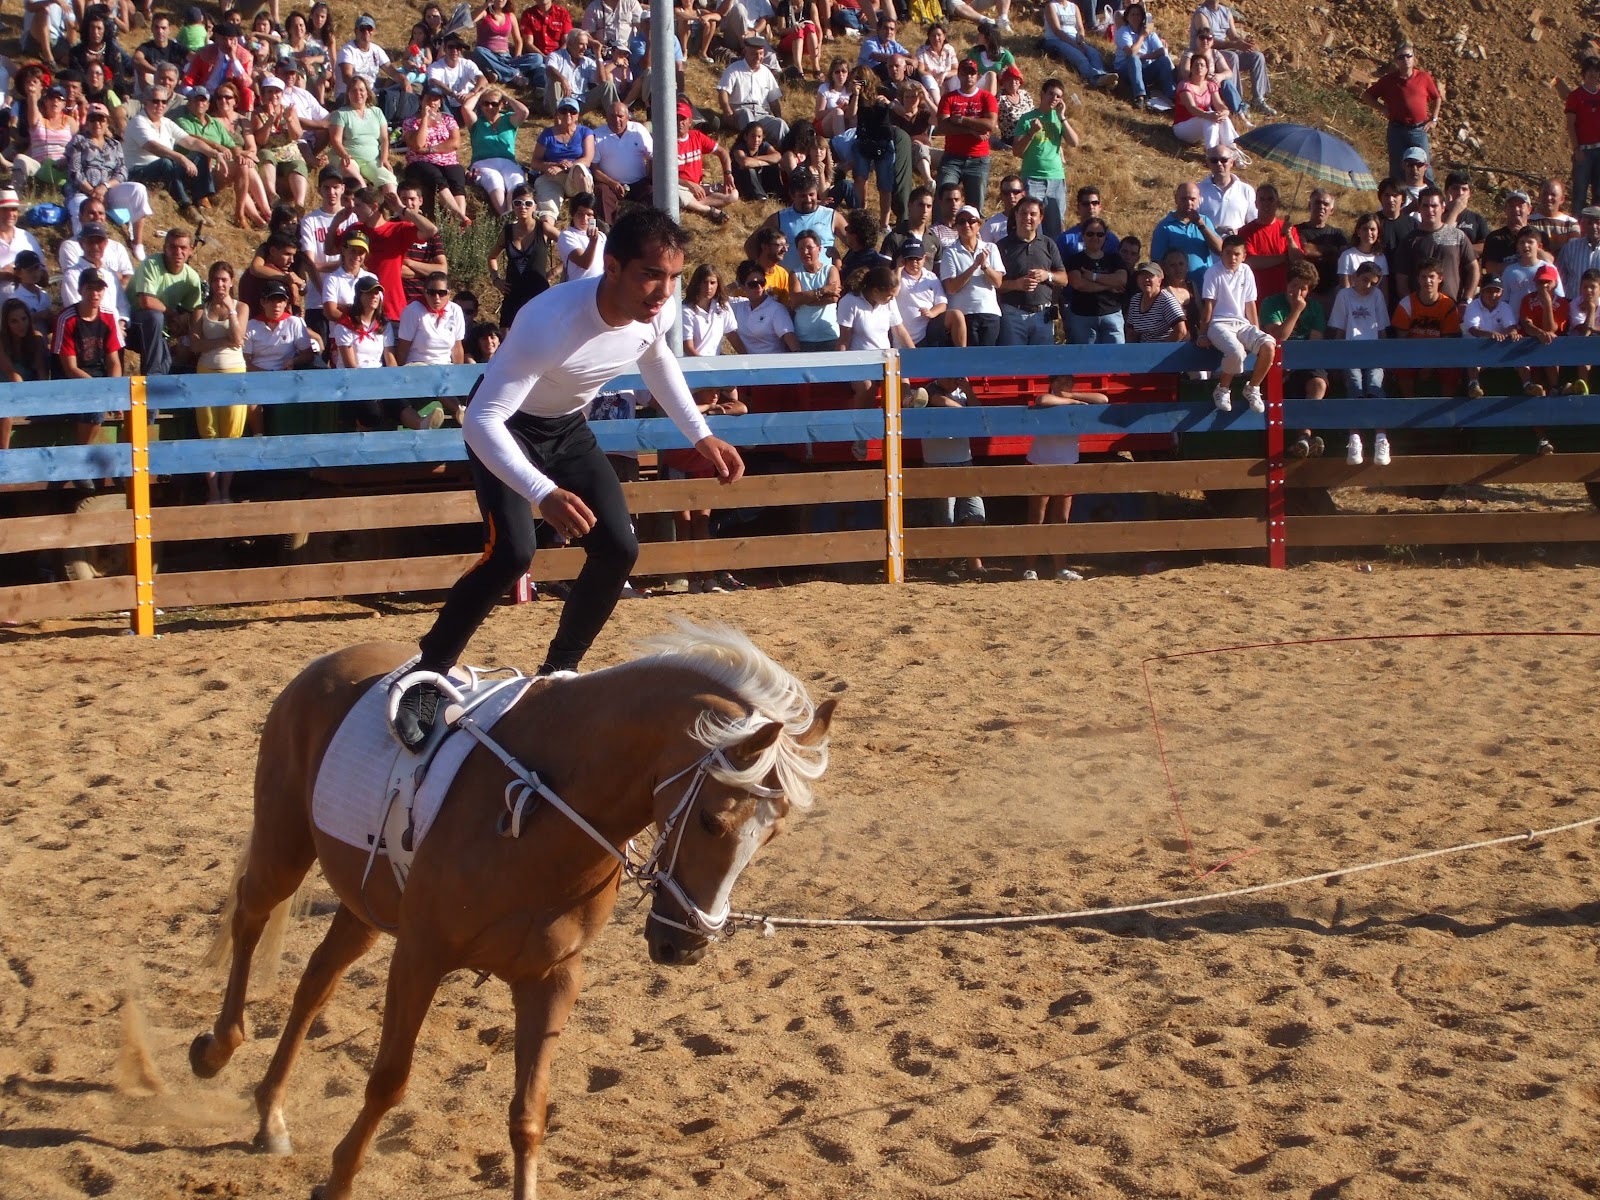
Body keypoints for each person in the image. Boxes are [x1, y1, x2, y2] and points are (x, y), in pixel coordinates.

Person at [390, 209, 745, 749]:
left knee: (619, 548)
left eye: (673, 277)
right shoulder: (550, 320)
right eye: (651, 274)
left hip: (565, 428)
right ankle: (426, 671)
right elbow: (482, 420)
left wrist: (699, 434)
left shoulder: (654, 309)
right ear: (613, 266)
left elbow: (656, 359)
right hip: (504, 427)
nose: (664, 291)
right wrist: (542, 492)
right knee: (513, 554)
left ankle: (558, 674)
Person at [1022, 374, 1108, 581]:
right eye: (1059, 381)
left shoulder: (1076, 400)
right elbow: (1042, 400)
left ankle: (1060, 568)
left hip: (1068, 465)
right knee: (1037, 517)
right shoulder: (1050, 401)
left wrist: (1072, 396)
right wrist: (1072, 400)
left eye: (1068, 381)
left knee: (1061, 519)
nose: (1064, 385)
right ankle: (1029, 567)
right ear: (1051, 383)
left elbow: (1103, 400)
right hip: (1041, 463)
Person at [188, 260, 250, 501]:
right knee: (209, 430)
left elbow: (238, 336)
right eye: (216, 280)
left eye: (224, 279)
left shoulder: (241, 307)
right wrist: (225, 341)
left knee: (231, 431)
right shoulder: (200, 310)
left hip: (234, 372)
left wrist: (230, 311)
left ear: (231, 282)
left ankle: (226, 490)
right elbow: (196, 345)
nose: (220, 284)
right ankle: (213, 490)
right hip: (207, 371)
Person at [1199, 234, 1275, 413]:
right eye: (1227, 253)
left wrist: (1255, 332)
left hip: (1242, 324)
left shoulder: (1246, 271)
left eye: (1236, 254)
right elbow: (1209, 306)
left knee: (1269, 346)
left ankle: (1253, 387)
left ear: (1244, 256)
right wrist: (1203, 333)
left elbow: (1250, 305)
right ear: (1221, 253)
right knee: (1236, 352)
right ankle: (1222, 389)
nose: (1232, 258)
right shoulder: (1212, 272)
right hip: (1218, 324)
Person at [124, 86, 225, 219]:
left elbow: (191, 142)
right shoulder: (138, 122)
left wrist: (214, 153)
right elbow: (153, 147)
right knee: (166, 162)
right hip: (140, 171)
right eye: (156, 101)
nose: (160, 105)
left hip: (168, 167)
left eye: (164, 102)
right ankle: (186, 206)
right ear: (146, 102)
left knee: (200, 155)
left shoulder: (166, 122)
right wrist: (181, 158)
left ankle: (201, 200)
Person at [1260, 259, 1328, 456]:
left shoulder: (1315, 308)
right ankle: (1295, 441)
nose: (1297, 292)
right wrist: (1296, 310)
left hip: (1305, 364)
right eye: (1294, 285)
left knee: (1318, 384)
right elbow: (1278, 336)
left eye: (1303, 288)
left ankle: (1303, 437)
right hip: (1275, 363)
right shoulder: (1271, 303)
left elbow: (1315, 342)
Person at [1327, 260, 1389, 463]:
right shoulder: (1344, 295)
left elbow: (1381, 329)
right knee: (1355, 385)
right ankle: (1355, 439)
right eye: (1365, 281)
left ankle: (1381, 438)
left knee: (1375, 386)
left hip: (1374, 351)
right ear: (1355, 277)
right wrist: (1336, 359)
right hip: (1350, 350)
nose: (1368, 286)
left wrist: (1384, 356)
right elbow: (1340, 328)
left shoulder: (1377, 296)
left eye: (1373, 283)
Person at [54, 268, 124, 445]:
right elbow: (70, 368)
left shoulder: (108, 316)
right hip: (73, 378)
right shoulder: (67, 319)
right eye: (90, 288)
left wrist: (113, 389)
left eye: (99, 289)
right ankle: (82, 452)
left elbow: (113, 361)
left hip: (100, 376)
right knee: (95, 406)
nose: (95, 294)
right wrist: (100, 388)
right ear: (80, 290)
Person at [1362, 42, 1442, 184]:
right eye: (1401, 57)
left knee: (1424, 168)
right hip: (1396, 129)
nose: (1405, 59)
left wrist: (1434, 119)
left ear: (1413, 58)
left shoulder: (1423, 77)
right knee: (1397, 169)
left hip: (1418, 129)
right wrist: (1382, 109)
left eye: (1408, 56)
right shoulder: (1389, 80)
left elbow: (1437, 97)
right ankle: (1400, 201)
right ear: (1396, 61)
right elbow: (1367, 96)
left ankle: (1432, 201)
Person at [127, 226, 202, 375]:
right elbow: (146, 302)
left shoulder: (192, 278)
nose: (178, 252)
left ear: (190, 250)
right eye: (173, 247)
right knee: (155, 316)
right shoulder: (152, 264)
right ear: (164, 248)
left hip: (162, 329)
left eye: (183, 248)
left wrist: (182, 322)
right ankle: (152, 377)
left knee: (166, 363)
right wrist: (172, 314)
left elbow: (193, 312)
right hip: (133, 323)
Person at [1390, 257, 1461, 403]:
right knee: (1402, 366)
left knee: (1451, 369)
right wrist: (1419, 362)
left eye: (1432, 276)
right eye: (1423, 276)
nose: (1428, 281)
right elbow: (1402, 341)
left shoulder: (1448, 305)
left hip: (1439, 353)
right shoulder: (1406, 304)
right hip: (1412, 352)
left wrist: (1429, 365)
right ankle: (1410, 405)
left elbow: (1448, 342)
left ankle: (1445, 410)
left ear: (1440, 278)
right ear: (1418, 279)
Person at [1395, 186, 1479, 307]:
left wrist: (1467, 300)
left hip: (1451, 308)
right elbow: (1401, 279)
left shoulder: (1457, 236)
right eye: (1425, 206)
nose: (1430, 210)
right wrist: (1409, 305)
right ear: (1419, 208)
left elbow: (1474, 269)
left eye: (1434, 206)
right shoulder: (1409, 240)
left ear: (1443, 208)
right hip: (1420, 309)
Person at [488, 182, 556, 327]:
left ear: (535, 206)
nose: (523, 207)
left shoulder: (543, 228)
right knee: (507, 341)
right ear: (513, 205)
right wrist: (496, 279)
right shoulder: (508, 231)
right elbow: (492, 257)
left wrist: (554, 271)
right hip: (513, 295)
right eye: (518, 203)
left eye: (528, 203)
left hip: (538, 296)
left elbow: (569, 247)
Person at [1189, 0, 1272, 115]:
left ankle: (1258, 99)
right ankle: (1236, 103)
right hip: (1207, 53)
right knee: (1232, 57)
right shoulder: (1201, 14)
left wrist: (1244, 43)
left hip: (1224, 50)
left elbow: (1233, 35)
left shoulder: (1225, 11)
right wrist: (1234, 45)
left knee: (1257, 56)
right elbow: (1208, 41)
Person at [935, 58, 997, 209]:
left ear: (977, 76)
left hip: (978, 159)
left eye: (972, 73)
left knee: (975, 208)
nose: (969, 77)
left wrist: (961, 119)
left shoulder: (986, 97)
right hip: (952, 158)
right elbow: (943, 127)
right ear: (959, 75)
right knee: (942, 200)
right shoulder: (949, 98)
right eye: (965, 73)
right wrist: (971, 130)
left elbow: (990, 124)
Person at [939, 203, 1004, 345]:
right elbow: (951, 287)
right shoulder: (950, 252)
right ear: (956, 226)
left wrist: (985, 266)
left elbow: (998, 282)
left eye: (971, 221)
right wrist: (974, 266)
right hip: (964, 314)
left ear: (979, 225)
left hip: (989, 312)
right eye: (961, 222)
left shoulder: (991, 248)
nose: (967, 225)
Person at [329, 75, 399, 199]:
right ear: (348, 94)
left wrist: (384, 158)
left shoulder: (376, 112)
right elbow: (335, 139)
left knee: (389, 180)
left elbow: (384, 139)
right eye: (354, 90)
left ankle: (394, 211)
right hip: (348, 158)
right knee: (358, 182)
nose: (358, 93)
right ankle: (365, 204)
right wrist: (344, 154)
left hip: (372, 160)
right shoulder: (341, 114)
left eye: (361, 90)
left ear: (367, 93)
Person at [463, 88, 530, 218]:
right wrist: (479, 94)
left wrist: (506, 95)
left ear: (501, 104)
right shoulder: (477, 122)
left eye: (494, 103)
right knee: (494, 179)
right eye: (485, 103)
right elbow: (466, 108)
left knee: (516, 180)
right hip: (483, 162)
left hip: (508, 161)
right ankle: (504, 215)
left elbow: (524, 111)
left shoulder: (509, 119)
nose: (489, 107)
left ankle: (513, 214)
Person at [1064, 216, 1125, 344]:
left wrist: (1093, 277)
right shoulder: (1075, 260)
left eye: (1100, 234)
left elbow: (1121, 280)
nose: (1095, 238)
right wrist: (1109, 285)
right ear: (1083, 236)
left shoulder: (1114, 258)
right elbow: (1078, 284)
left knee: (1116, 360)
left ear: (1105, 238)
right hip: (1083, 317)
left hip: (1112, 315)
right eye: (1090, 234)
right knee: (1086, 361)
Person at [589, 99, 652, 224]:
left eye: (620, 116)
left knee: (654, 195)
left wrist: (650, 178)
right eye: (612, 116)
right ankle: (608, 230)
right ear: (606, 117)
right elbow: (594, 168)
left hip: (638, 182)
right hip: (610, 185)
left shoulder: (638, 130)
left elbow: (653, 156)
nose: (616, 120)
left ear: (627, 117)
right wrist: (612, 183)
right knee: (602, 194)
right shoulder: (596, 135)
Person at [59, 221, 132, 327]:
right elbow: (77, 309)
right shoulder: (72, 275)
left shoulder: (110, 274)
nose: (95, 246)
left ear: (106, 243)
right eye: (90, 242)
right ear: (81, 243)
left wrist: (121, 324)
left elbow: (123, 306)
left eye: (99, 241)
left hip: (118, 331)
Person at [893, 238, 964, 346]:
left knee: (956, 315)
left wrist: (932, 313)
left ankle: (962, 355)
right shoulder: (895, 276)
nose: (914, 262)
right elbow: (893, 293)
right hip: (903, 337)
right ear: (903, 259)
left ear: (924, 257)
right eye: (910, 259)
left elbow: (942, 304)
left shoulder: (931, 276)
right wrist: (898, 269)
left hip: (929, 331)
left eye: (918, 258)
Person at [1150, 181, 1222, 286]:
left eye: (1193, 199)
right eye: (1184, 199)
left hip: (1205, 286)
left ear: (1199, 200)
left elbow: (1220, 249)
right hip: (1177, 289)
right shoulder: (1165, 227)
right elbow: (1157, 262)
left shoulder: (1205, 221)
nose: (1189, 203)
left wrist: (1201, 225)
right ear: (1176, 199)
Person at [1238, 182, 1302, 298]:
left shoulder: (1288, 230)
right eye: (1262, 200)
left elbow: (1297, 260)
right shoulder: (1245, 231)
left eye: (1270, 199)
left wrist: (1289, 236)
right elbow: (1251, 262)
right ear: (1256, 204)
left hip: (1284, 293)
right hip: (1256, 293)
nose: (1266, 203)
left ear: (1277, 203)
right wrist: (1284, 257)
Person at [719, 35, 788, 142]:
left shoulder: (766, 72)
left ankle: (785, 154)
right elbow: (723, 92)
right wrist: (727, 112)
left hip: (761, 113)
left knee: (780, 125)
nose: (758, 57)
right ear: (745, 52)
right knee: (747, 116)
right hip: (739, 112)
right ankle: (751, 150)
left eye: (760, 54)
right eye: (754, 54)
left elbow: (773, 100)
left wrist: (778, 116)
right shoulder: (734, 69)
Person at [1461, 273, 1517, 400]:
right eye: (1489, 291)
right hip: (1477, 347)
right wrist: (1490, 335)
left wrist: (1512, 333)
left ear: (1502, 292)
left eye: (1496, 291)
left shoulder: (1505, 307)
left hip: (1497, 348)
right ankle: (1473, 384)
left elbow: (1511, 326)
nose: (1493, 295)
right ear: (1482, 291)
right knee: (1472, 349)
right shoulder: (1473, 306)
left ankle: (1528, 385)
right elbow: (1473, 330)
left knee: (1519, 348)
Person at [243, 279, 317, 373]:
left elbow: (307, 354)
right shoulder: (251, 325)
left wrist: (293, 361)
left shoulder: (294, 322)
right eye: (272, 300)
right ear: (263, 302)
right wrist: (267, 375)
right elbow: (245, 361)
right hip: (257, 375)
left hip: (286, 375)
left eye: (281, 301)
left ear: (285, 303)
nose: (277, 305)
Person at [1517, 262, 1565, 407]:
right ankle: (1530, 387)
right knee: (1536, 390)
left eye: (1547, 282)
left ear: (1555, 283)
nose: (1543, 285)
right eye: (1540, 282)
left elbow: (1552, 329)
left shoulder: (1562, 303)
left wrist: (1547, 305)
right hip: (1530, 344)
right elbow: (1526, 324)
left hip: (1551, 347)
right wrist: (1539, 333)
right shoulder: (1527, 299)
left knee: (1550, 348)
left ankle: (1555, 388)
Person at [786, 228, 842, 350]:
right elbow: (795, 299)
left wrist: (805, 298)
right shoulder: (795, 274)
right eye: (801, 249)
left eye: (809, 248)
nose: (805, 252)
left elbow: (833, 298)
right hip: (804, 338)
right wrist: (823, 290)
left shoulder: (830, 270)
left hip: (830, 335)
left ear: (819, 249)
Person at [1114, 3, 1176, 112]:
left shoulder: (1150, 33)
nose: (1135, 17)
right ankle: (1140, 95)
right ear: (1127, 17)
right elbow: (1131, 52)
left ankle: (1172, 94)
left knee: (1164, 60)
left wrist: (1144, 57)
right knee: (1133, 59)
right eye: (1132, 14)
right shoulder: (1123, 32)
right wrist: (1142, 36)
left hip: (1145, 68)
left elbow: (1161, 51)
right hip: (1127, 69)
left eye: (1138, 15)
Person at [1041, 0, 1116, 90]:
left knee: (1093, 53)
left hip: (1074, 39)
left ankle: (1102, 75)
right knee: (1079, 56)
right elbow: (1057, 31)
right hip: (1056, 40)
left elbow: (1080, 28)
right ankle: (1094, 78)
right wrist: (1075, 45)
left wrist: (1080, 40)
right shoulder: (1051, 6)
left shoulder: (1074, 7)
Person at [728, 260, 799, 352]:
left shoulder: (777, 309)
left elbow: (790, 339)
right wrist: (736, 284)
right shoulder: (738, 305)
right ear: (743, 286)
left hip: (772, 364)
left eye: (762, 282)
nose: (759, 287)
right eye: (752, 284)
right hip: (747, 364)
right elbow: (715, 296)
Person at [1294, 189, 1347, 306]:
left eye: (1326, 204)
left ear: (1331, 210)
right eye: (1317, 202)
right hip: (1305, 290)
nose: (1321, 207)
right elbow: (1305, 250)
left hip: (1332, 291)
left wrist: (1317, 250)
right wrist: (1332, 250)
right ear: (1309, 205)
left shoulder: (1337, 233)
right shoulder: (1297, 230)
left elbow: (1344, 255)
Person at [1197, 145, 1256, 237]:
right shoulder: (1198, 190)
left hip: (1236, 247)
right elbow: (1192, 222)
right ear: (1208, 163)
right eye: (1214, 161)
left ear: (1232, 162)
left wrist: (1238, 231)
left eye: (1224, 160)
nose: (1219, 164)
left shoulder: (1246, 190)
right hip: (1206, 248)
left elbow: (1253, 223)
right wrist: (1215, 229)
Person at [1125, 260, 1188, 343]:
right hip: (1144, 350)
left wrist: (1161, 350)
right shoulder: (1135, 300)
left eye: (1150, 276)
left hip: (1166, 351)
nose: (1146, 279)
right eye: (1142, 275)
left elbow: (1181, 331)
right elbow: (1131, 333)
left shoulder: (1166, 300)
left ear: (1159, 280)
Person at [1567, 56, 1600, 212]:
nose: (1593, 75)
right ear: (1584, 73)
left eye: (1597, 71)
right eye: (1590, 71)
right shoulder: (1575, 96)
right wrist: (1576, 149)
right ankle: (1576, 229)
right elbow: (1570, 124)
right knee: (1580, 194)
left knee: (1599, 194)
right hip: (1584, 151)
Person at [558, 193, 606, 281]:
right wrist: (593, 241)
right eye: (580, 214)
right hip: (578, 288)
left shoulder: (602, 236)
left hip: (599, 286)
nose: (584, 218)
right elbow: (584, 263)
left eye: (589, 214)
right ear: (573, 215)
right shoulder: (567, 235)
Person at [1337, 212, 1389, 293]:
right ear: (1358, 232)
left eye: (1372, 229)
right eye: (1365, 229)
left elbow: (1384, 290)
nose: (1369, 233)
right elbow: (1344, 290)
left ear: (1378, 232)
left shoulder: (1381, 258)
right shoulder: (1347, 256)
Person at [731, 120, 783, 201]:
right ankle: (760, 197)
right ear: (746, 137)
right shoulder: (739, 148)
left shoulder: (764, 145)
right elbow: (745, 162)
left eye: (759, 137)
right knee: (749, 170)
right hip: (743, 184)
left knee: (773, 166)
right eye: (753, 136)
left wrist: (756, 159)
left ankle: (776, 194)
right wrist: (766, 161)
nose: (756, 140)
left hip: (761, 179)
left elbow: (778, 157)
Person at [1556, 205, 1600, 300]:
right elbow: (1559, 277)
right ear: (1582, 225)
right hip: (1573, 304)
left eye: (1598, 223)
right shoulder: (1571, 247)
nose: (1594, 227)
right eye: (1589, 223)